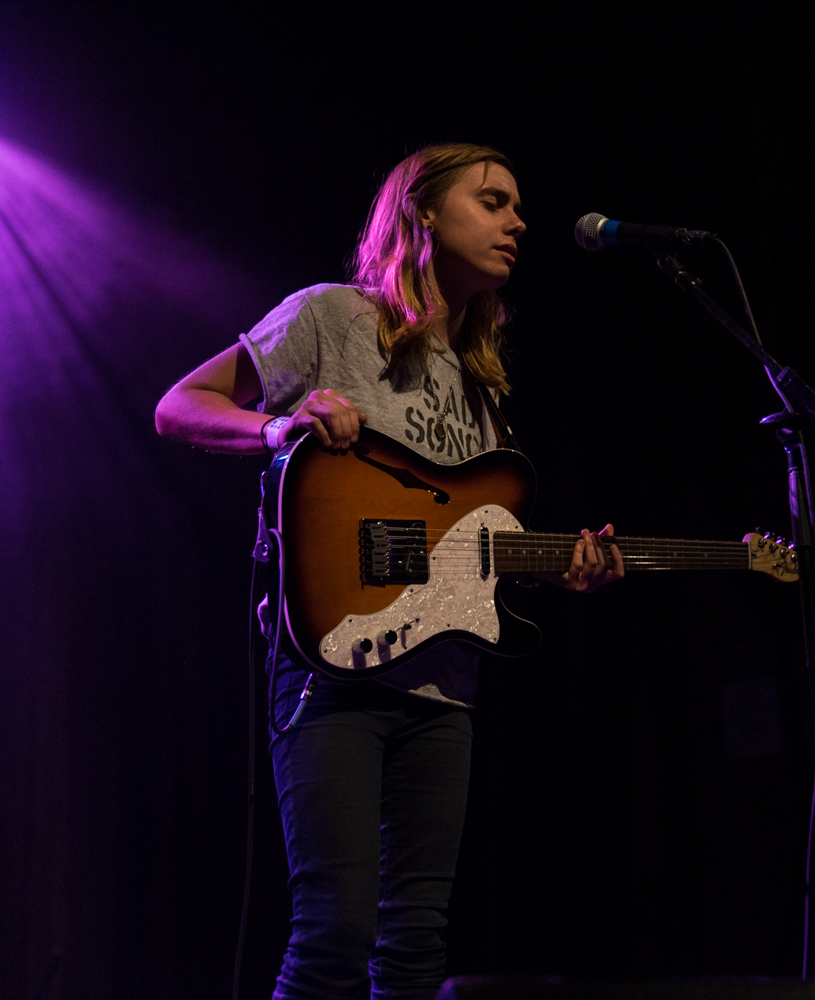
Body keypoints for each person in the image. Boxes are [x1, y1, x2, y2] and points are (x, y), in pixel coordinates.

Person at [154, 143, 623, 1000]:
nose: (517, 222)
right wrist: (277, 426)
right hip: (330, 670)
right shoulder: (331, 317)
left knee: (413, 947)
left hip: (443, 692)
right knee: (336, 933)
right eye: (492, 200)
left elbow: (461, 554)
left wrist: (558, 566)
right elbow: (178, 406)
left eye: (516, 206)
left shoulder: (481, 388)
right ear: (422, 215)